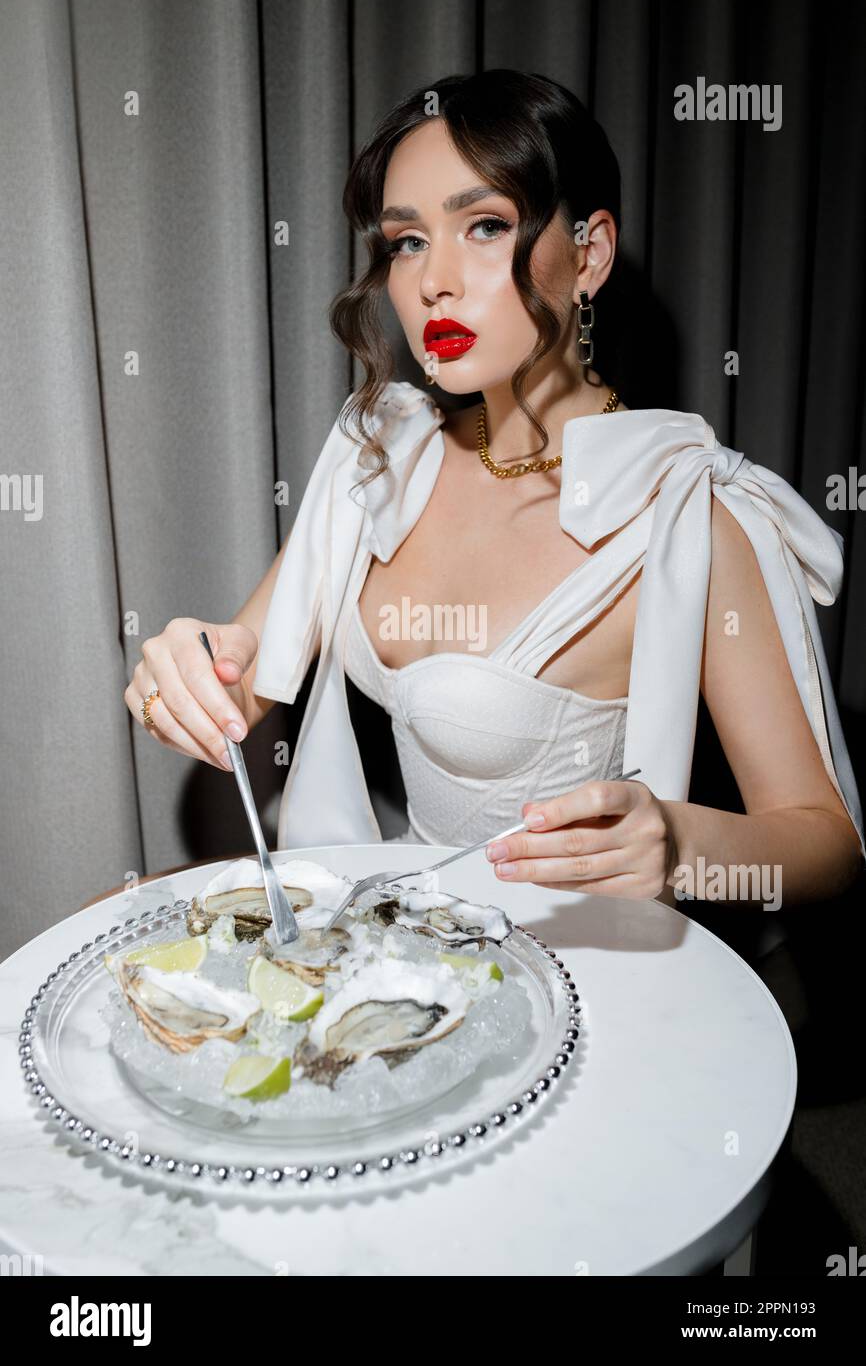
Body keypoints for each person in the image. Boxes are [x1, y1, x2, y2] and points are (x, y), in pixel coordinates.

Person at [124, 70, 864, 907]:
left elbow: (825, 839)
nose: (434, 279)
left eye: (484, 226)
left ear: (589, 255)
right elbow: (240, 681)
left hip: (579, 978)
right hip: (404, 951)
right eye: (407, 242)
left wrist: (681, 844)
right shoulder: (379, 455)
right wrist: (179, 676)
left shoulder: (689, 512)